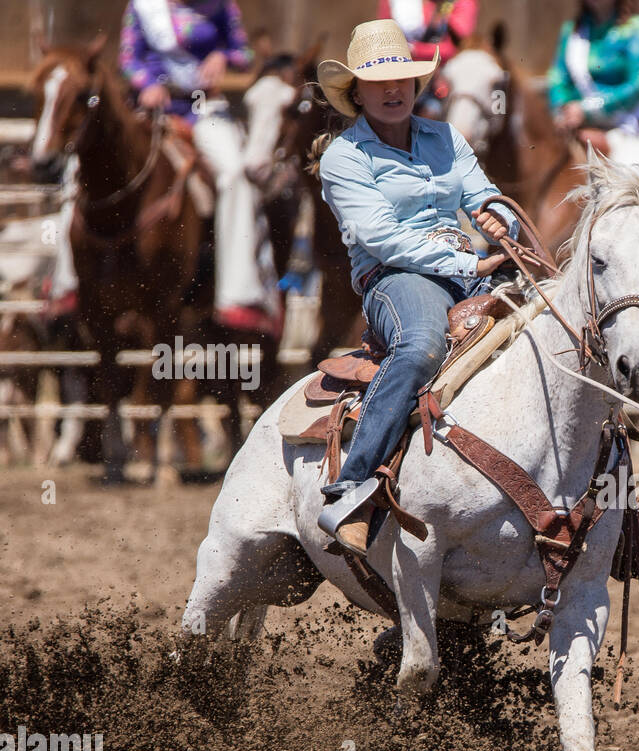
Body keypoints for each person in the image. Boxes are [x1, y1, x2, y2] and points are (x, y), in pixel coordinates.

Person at [311, 18, 517, 557]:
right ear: (356, 92)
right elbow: (383, 239)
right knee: (422, 342)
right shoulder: (344, 158)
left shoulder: (446, 137)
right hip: (396, 280)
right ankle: (352, 489)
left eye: (402, 78)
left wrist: (499, 221)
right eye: (378, 82)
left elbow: (485, 194)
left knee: (561, 327)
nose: (393, 89)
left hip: (470, 264)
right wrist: (468, 263)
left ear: (417, 84)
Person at [119, 0, 281, 335]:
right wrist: (147, 84)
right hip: (151, 113)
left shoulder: (221, 5)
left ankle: (237, 293)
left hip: (205, 112)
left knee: (236, 173)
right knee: (86, 165)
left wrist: (223, 56)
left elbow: (244, 54)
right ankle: (65, 283)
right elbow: (127, 59)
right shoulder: (143, 8)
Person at [547, 0, 639, 170]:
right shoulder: (572, 31)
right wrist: (563, 109)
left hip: (628, 130)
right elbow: (557, 79)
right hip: (579, 129)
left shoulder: (636, 28)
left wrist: (587, 110)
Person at [378, 0, 479, 117]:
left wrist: (415, 49)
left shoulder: (462, 3)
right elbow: (384, 31)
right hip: (401, 73)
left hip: (438, 81)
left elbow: (456, 46)